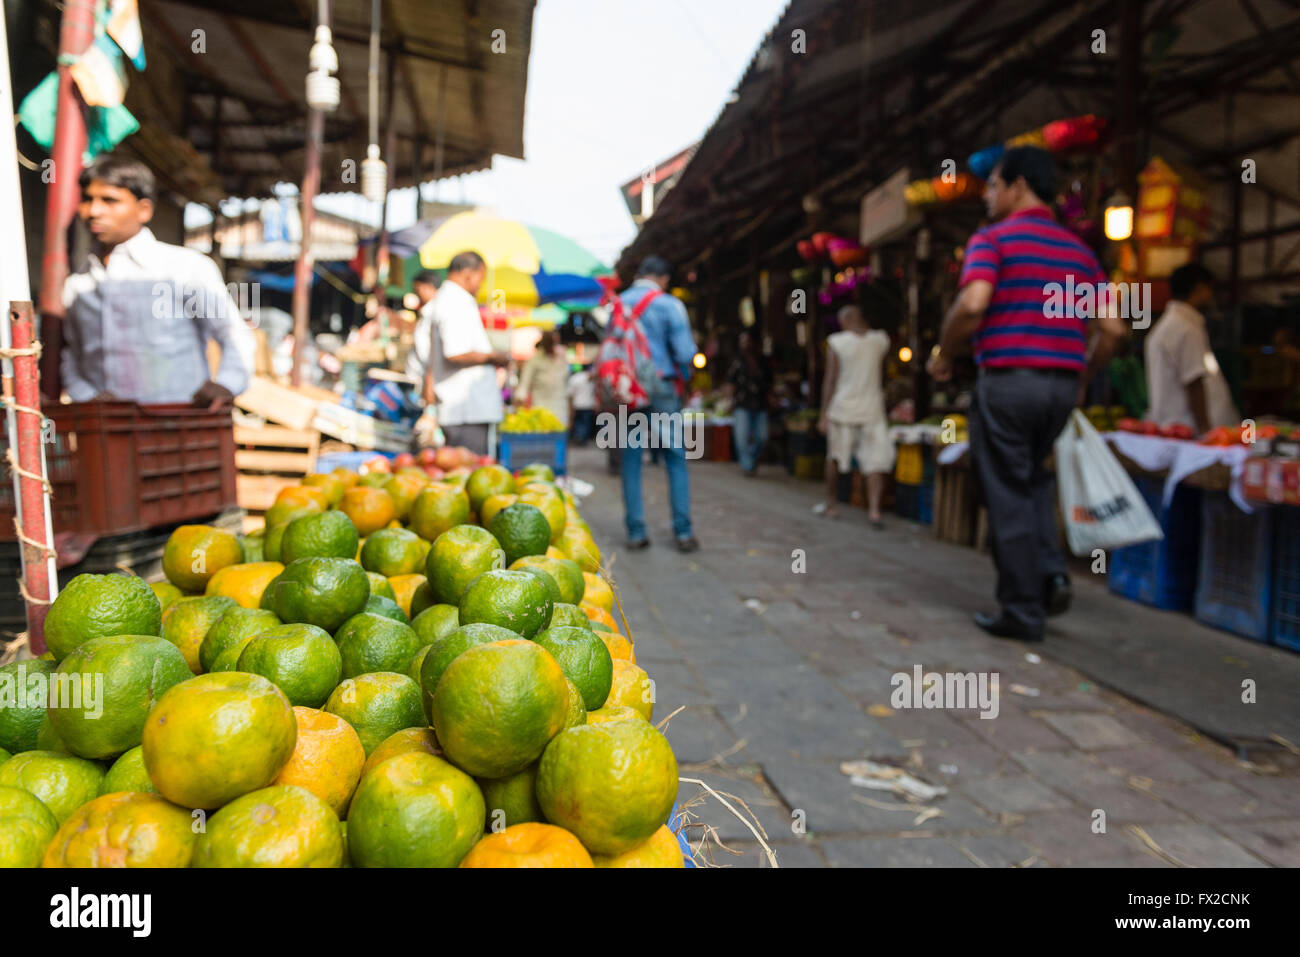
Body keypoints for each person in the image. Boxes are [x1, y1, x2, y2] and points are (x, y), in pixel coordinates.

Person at [927, 146, 1126, 642]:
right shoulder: (1079, 254)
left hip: (1010, 383)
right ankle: (1050, 574)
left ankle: (1022, 610)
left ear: (1017, 187)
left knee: (1007, 492)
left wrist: (945, 351)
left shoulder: (993, 240)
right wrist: (1083, 374)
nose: (988, 197)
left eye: (993, 186)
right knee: (1032, 481)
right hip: (1060, 389)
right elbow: (1115, 330)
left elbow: (973, 304)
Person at [61, 154, 255, 406]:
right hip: (104, 431)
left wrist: (226, 384)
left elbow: (233, 333)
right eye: (88, 199)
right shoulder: (78, 284)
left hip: (178, 425)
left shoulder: (184, 268)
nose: (94, 211)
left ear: (144, 209)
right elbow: (70, 357)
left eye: (110, 200)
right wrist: (87, 397)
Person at [619, 256, 700, 552]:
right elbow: (684, 353)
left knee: (630, 461)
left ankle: (636, 531)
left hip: (628, 389)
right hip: (663, 386)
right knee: (675, 457)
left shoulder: (620, 303)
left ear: (639, 274)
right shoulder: (669, 305)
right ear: (664, 279)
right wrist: (686, 381)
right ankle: (682, 531)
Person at [425, 251, 509, 455]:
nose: (481, 284)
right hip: (466, 411)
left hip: (465, 410)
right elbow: (455, 352)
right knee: (471, 472)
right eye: (481, 277)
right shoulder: (455, 301)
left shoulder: (451, 300)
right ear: (469, 273)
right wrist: (493, 357)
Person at [815, 305, 892, 525]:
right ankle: (874, 511)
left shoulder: (837, 343)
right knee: (875, 463)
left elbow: (830, 379)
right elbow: (883, 373)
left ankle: (831, 504)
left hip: (843, 409)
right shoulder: (880, 340)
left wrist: (823, 414)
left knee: (836, 457)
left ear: (846, 320)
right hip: (872, 409)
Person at [1144, 263, 1238, 433]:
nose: (1211, 296)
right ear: (1200, 288)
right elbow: (1194, 381)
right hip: (1189, 429)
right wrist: (1205, 429)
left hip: (1175, 427)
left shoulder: (1167, 326)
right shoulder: (1185, 328)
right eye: (1210, 289)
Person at [727, 331, 772, 476]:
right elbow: (730, 382)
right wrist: (729, 401)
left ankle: (751, 460)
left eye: (748, 341)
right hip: (742, 403)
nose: (746, 344)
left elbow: (769, 382)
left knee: (762, 437)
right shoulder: (737, 361)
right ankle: (748, 465)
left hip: (760, 404)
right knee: (741, 438)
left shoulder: (762, 361)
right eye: (743, 341)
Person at [403, 269, 442, 407]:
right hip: (420, 380)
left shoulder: (434, 312)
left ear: (428, 287)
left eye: (417, 289)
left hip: (424, 382)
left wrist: (428, 384)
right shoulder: (428, 312)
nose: (416, 293)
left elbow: (429, 354)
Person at [516, 331, 570, 426]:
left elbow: (567, 385)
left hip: (560, 409)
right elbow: (523, 386)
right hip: (540, 408)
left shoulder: (562, 357)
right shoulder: (535, 360)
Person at [567, 364, 597, 445]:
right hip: (588, 405)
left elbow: (571, 394)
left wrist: (570, 406)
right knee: (586, 423)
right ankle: (583, 439)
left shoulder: (574, 378)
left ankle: (578, 437)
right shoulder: (590, 378)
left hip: (577, 404)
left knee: (577, 422)